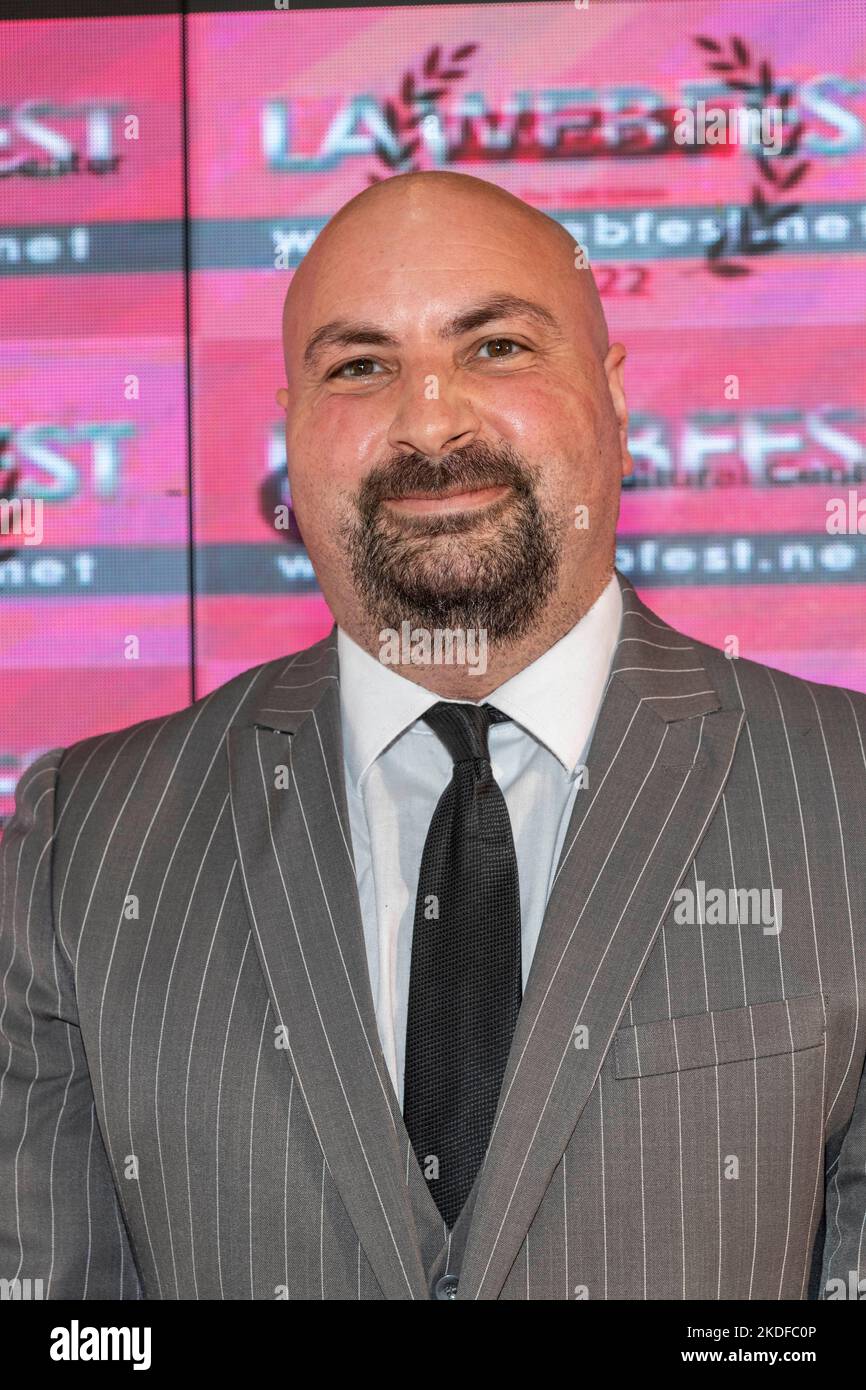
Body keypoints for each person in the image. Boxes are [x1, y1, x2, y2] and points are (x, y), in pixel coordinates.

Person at [1, 171, 864, 1301]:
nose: (428, 418)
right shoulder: (87, 843)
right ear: (292, 438)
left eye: (494, 348)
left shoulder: (840, 796)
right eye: (358, 367)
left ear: (611, 399)